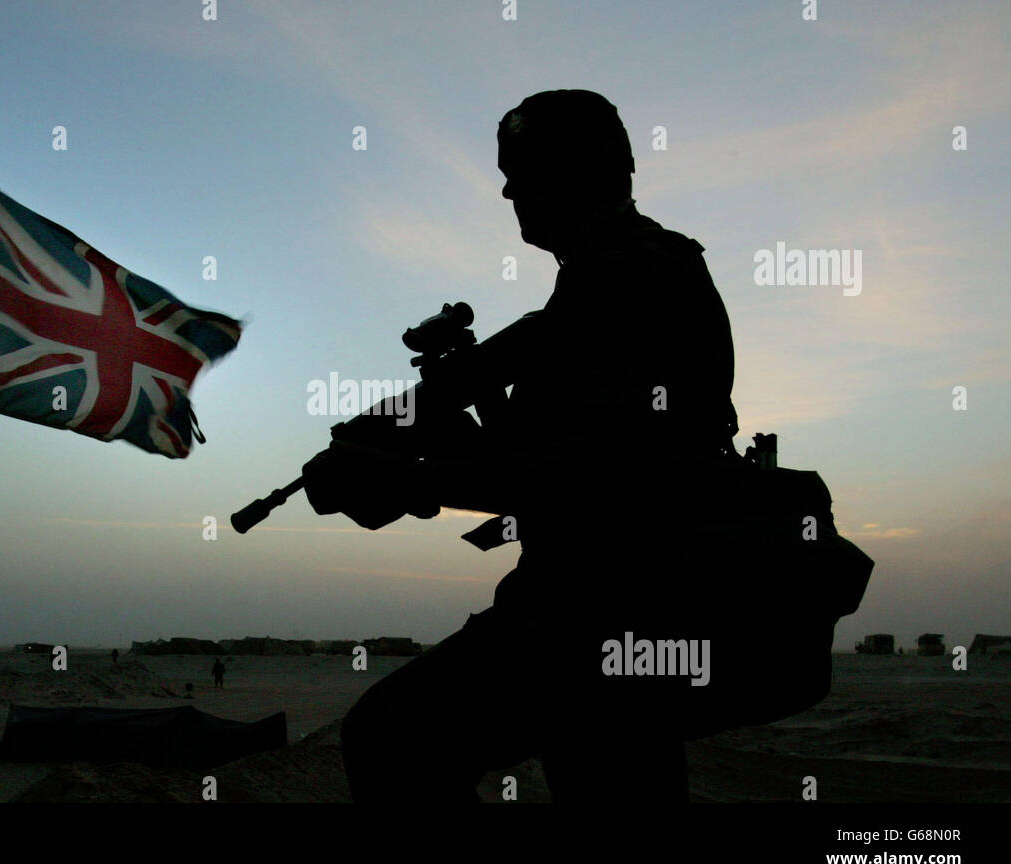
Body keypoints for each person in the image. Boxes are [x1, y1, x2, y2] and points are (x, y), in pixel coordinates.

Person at [301, 89, 739, 803]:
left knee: (390, 738)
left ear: (590, 168)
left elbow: (603, 470)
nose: (507, 188)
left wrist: (414, 479)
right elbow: (528, 447)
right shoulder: (589, 291)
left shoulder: (640, 273)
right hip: (592, 608)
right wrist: (403, 437)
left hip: (609, 611)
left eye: (525, 168)